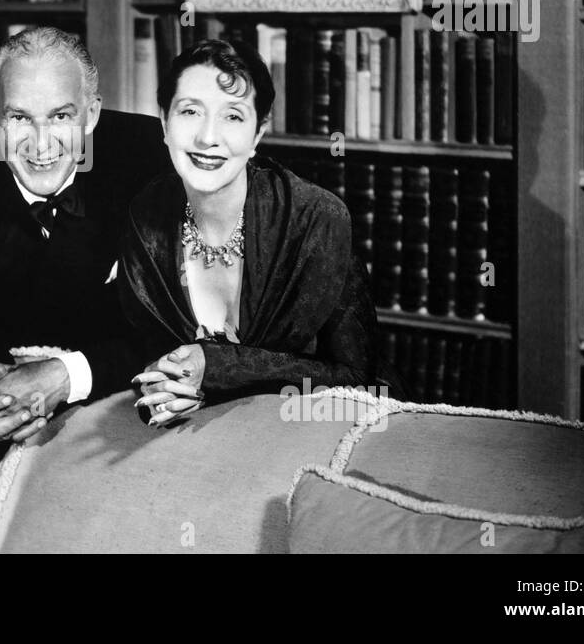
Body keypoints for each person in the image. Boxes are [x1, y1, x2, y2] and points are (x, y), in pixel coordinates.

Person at [0, 26, 170, 443]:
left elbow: (174, 320)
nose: (42, 144)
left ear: (93, 114)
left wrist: (65, 377)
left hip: (115, 379)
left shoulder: (154, 161)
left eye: (61, 116)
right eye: (19, 118)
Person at [124, 38, 406, 428]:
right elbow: (141, 348)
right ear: (164, 122)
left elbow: (357, 380)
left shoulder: (315, 219)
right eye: (190, 111)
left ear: (258, 134)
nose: (208, 137)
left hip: (316, 431)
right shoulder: (146, 214)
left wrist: (221, 369)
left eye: (234, 117)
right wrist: (169, 387)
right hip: (201, 439)